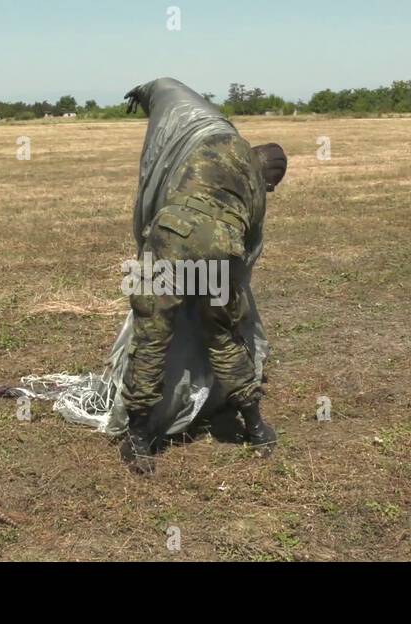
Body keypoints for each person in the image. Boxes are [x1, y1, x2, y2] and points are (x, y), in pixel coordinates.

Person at [118, 78, 287, 474]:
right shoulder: (254, 189)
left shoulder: (215, 139)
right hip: (221, 249)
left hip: (172, 237)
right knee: (223, 334)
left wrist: (146, 90)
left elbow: (175, 109)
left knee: (153, 334)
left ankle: (140, 438)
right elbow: (251, 247)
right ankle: (256, 426)